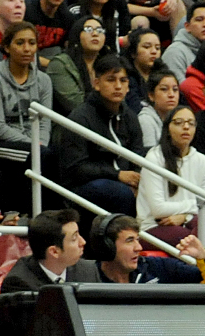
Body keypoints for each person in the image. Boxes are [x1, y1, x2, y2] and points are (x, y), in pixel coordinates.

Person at [0, 21, 53, 215]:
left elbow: (45, 121)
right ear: (6, 47)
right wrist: (34, 146)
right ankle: (43, 215)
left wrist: (40, 145)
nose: (27, 48)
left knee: (50, 155)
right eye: (20, 43)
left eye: (31, 43)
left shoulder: (44, 80)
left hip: (33, 145)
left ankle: (46, 215)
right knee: (41, 156)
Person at [60, 53, 144, 216]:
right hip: (84, 188)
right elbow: (77, 168)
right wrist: (118, 175)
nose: (118, 86)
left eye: (123, 80)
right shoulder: (80, 118)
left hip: (122, 182)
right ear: (96, 83)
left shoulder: (130, 116)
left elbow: (137, 155)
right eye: (111, 80)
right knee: (118, 192)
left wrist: (135, 180)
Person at [137, 104, 205, 247]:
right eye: (179, 123)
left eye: (191, 124)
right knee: (190, 238)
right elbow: (158, 209)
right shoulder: (155, 157)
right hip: (154, 226)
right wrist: (194, 206)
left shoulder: (202, 160)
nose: (186, 127)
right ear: (167, 129)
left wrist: (184, 217)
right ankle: (201, 265)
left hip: (186, 221)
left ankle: (198, 263)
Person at [88, 213, 205, 284]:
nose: (139, 247)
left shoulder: (157, 267)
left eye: (137, 239)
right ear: (107, 246)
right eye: (130, 241)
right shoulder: (87, 277)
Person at [0, 208, 101, 292]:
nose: (83, 242)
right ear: (54, 251)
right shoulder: (19, 283)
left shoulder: (89, 271)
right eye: (74, 239)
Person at [139, 69, 180, 150]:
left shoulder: (180, 118)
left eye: (175, 90)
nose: (171, 95)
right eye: (164, 89)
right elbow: (148, 157)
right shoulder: (145, 120)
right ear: (151, 95)